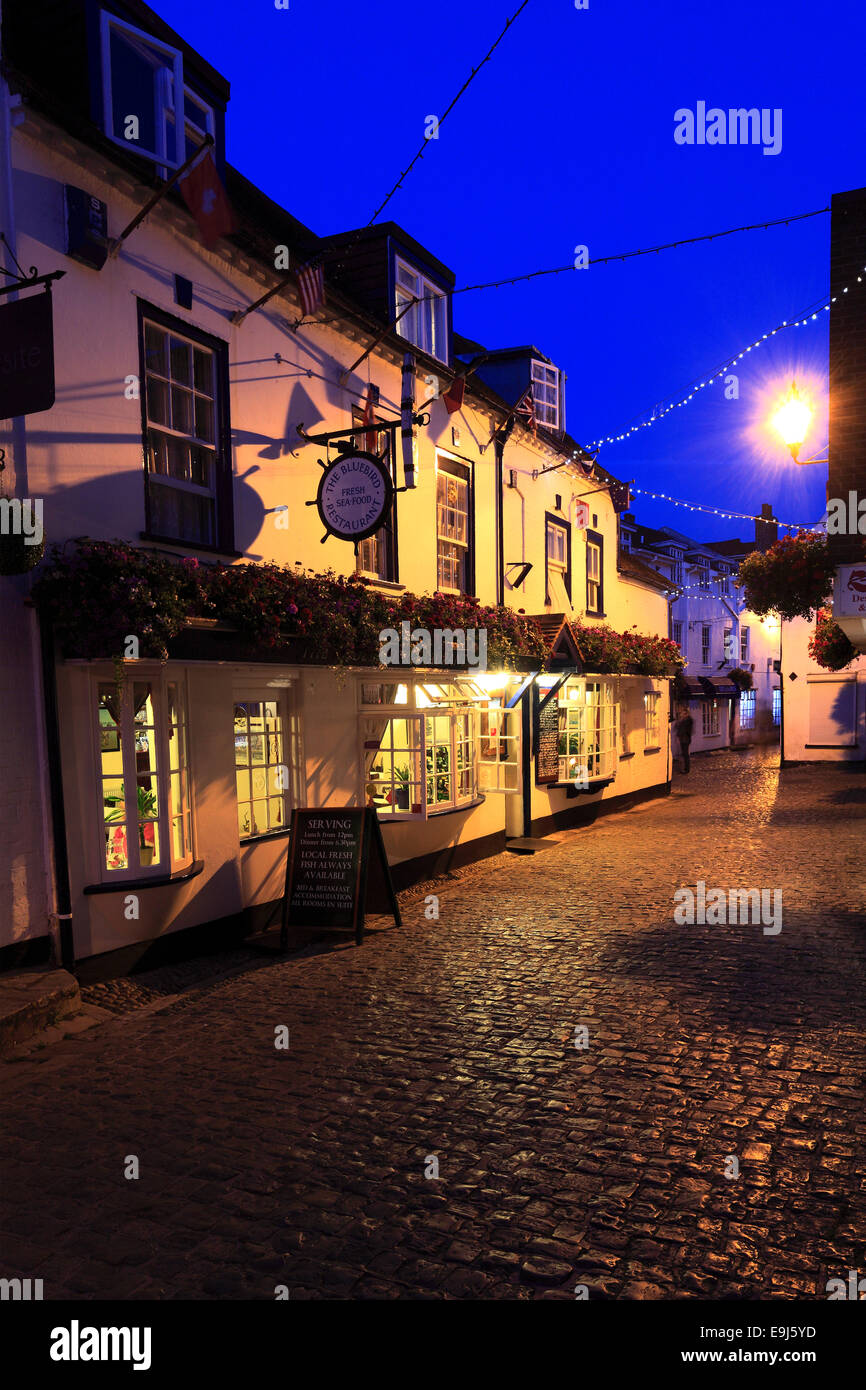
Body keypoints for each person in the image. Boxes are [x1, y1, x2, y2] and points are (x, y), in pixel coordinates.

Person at [677, 706, 694, 773]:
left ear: (686, 714)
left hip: (685, 739)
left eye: (683, 713)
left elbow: (684, 730)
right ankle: (686, 768)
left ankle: (687, 769)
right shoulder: (685, 720)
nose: (682, 715)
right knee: (684, 754)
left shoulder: (688, 720)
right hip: (683, 739)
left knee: (685, 754)